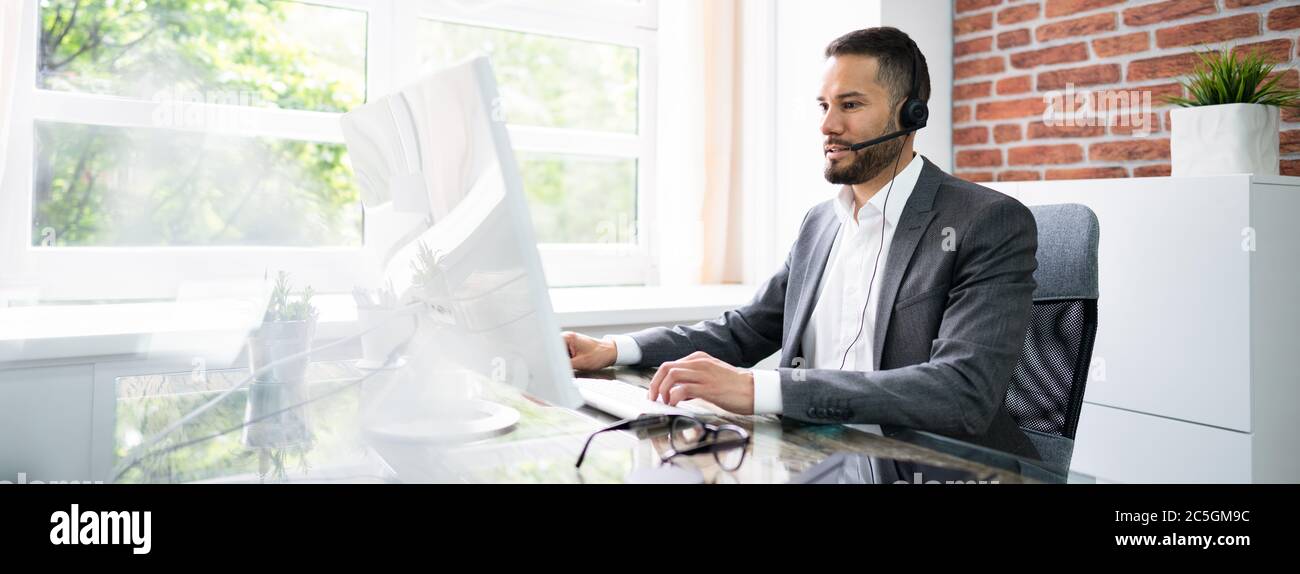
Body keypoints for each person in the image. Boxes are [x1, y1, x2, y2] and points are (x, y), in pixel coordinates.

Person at [564, 27, 1040, 459]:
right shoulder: (820, 223)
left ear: (910, 114)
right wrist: (613, 348)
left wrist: (759, 390)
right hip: (820, 455)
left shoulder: (986, 222)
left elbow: (963, 391)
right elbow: (743, 331)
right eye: (823, 105)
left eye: (850, 105)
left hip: (928, 465)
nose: (828, 125)